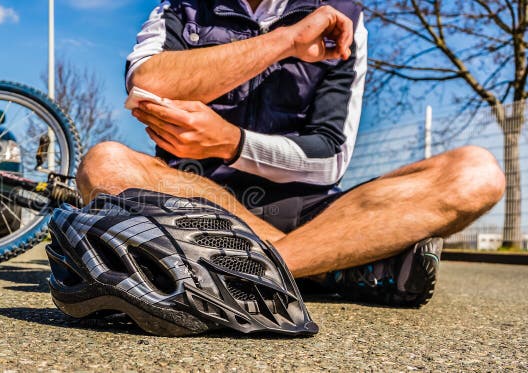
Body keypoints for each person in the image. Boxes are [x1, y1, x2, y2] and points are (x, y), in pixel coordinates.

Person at [75, 0, 506, 307]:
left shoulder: (346, 16)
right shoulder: (181, 8)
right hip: (193, 205)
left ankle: (244, 270)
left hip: (311, 214)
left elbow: (329, 157)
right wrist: (284, 42)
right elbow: (147, 83)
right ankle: (329, 266)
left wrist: (230, 143)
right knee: (104, 164)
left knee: (475, 173)